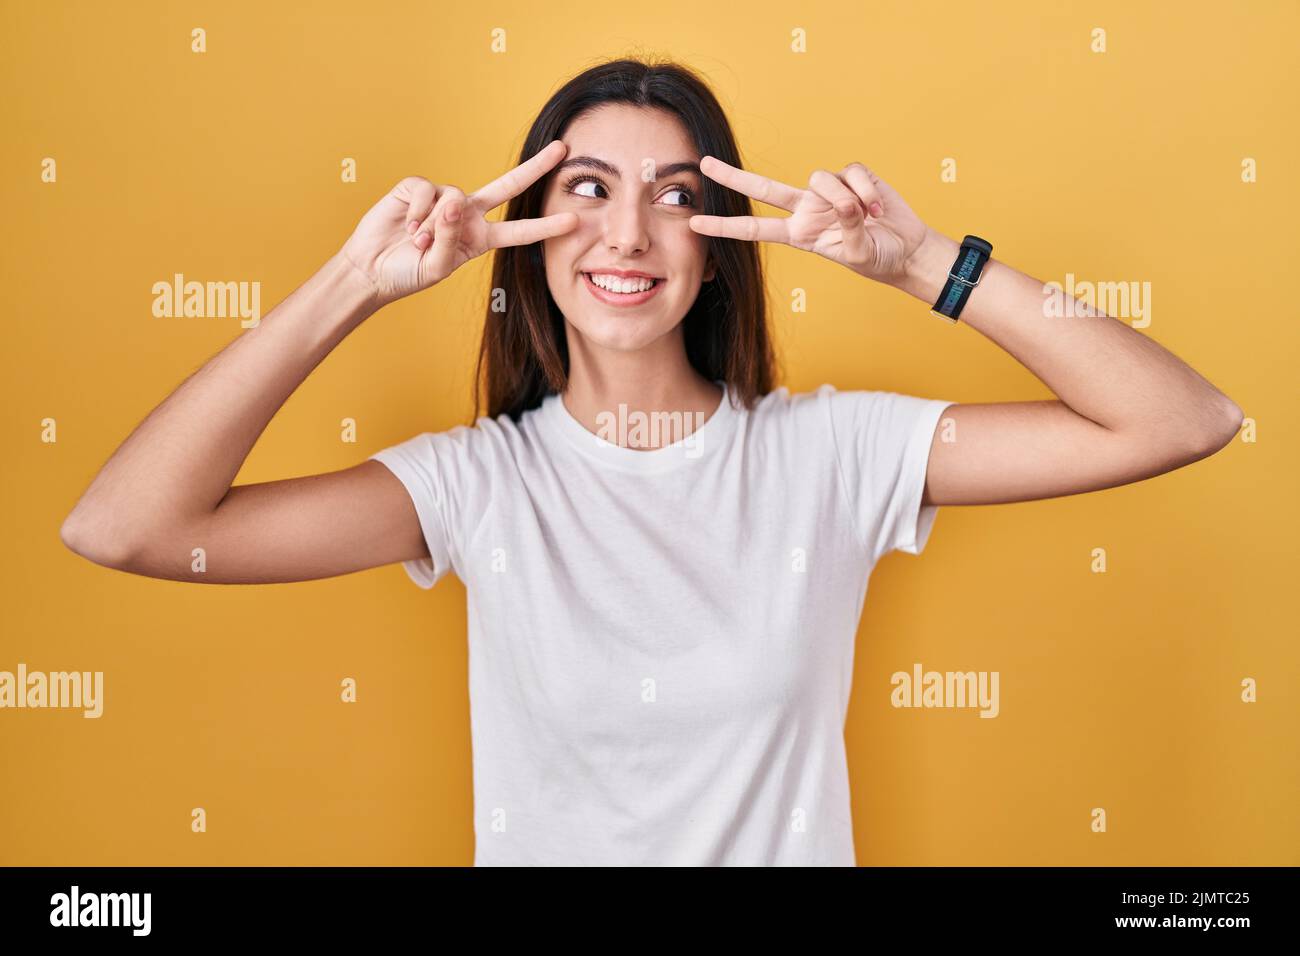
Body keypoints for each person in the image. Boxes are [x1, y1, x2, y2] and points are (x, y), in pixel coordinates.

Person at [59, 58, 1242, 866]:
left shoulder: (829, 452)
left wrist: (922, 260)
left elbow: (1178, 419)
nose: (627, 234)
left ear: (720, 249)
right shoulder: (476, 485)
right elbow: (128, 527)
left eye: (674, 198)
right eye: (586, 192)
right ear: (527, 235)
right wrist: (353, 286)